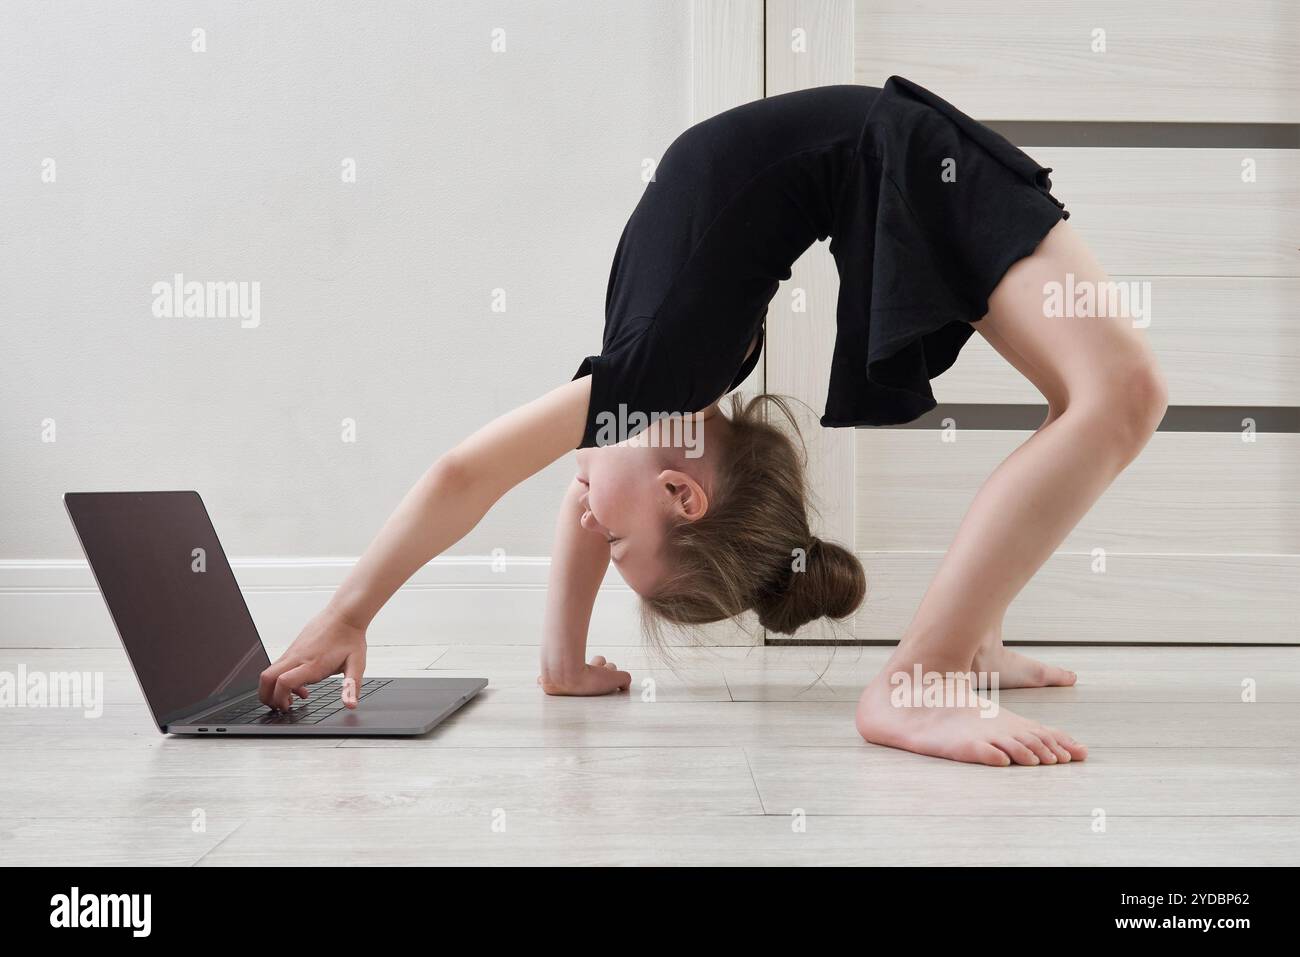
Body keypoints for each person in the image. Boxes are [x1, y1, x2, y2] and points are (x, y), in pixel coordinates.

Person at [259, 77, 1166, 767]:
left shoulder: (670, 377)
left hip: (897, 152)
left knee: (1111, 397)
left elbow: (522, 475)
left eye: (609, 541)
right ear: (683, 490)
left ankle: (934, 667)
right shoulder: (670, 380)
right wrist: (527, 656)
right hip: (900, 153)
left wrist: (382, 618)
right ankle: (937, 665)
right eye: (609, 535)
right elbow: (533, 479)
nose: (581, 517)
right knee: (1113, 396)